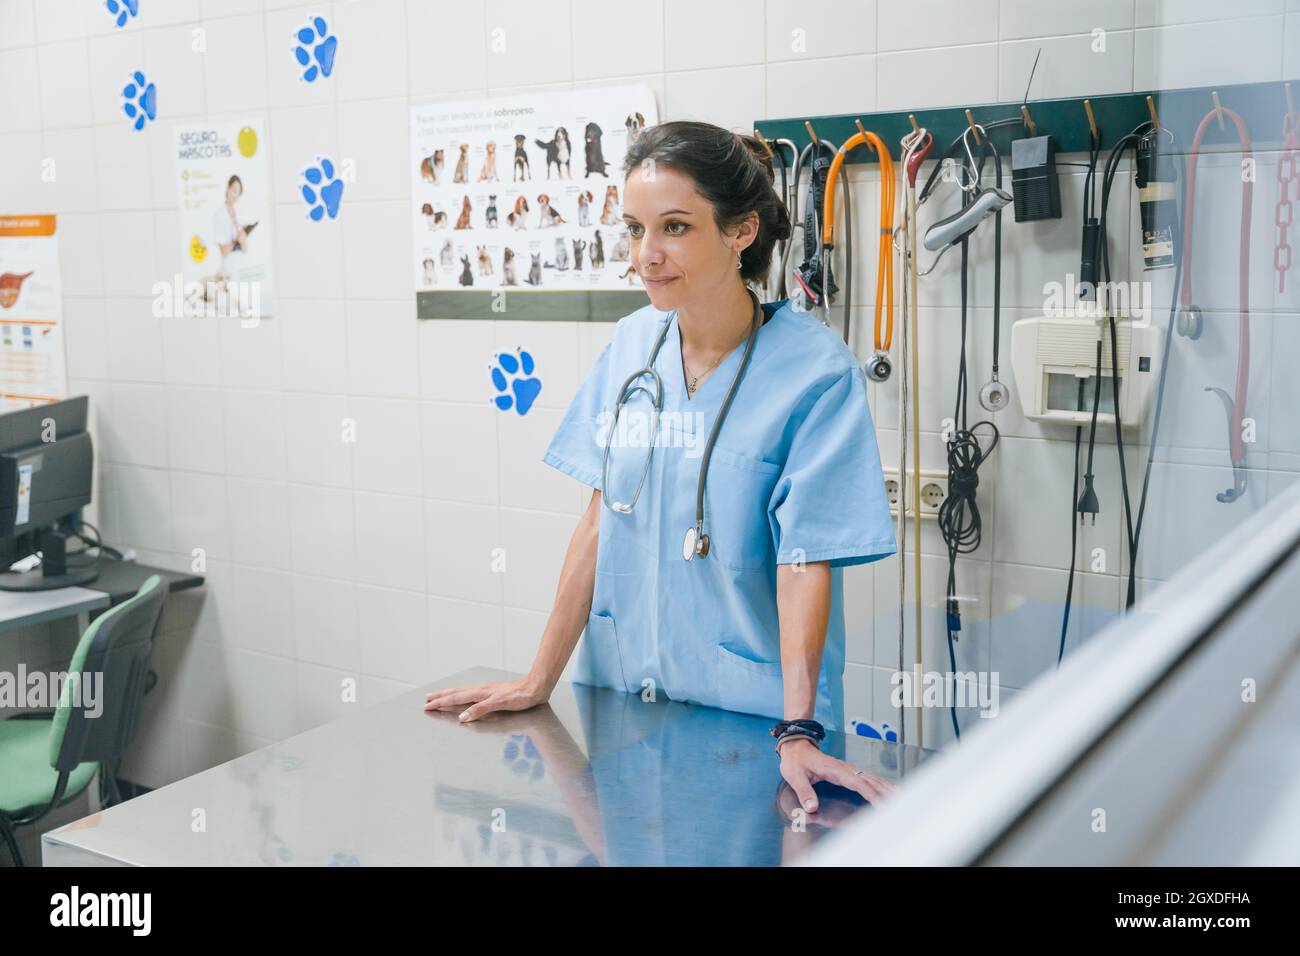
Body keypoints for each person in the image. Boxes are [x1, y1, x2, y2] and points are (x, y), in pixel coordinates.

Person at [426, 120, 898, 812]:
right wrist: (538, 678)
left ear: (741, 231)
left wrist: (798, 730)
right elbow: (599, 524)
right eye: (635, 229)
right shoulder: (630, 347)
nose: (647, 255)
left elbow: (806, 559)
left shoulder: (815, 373)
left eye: (675, 227)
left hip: (754, 717)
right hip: (621, 703)